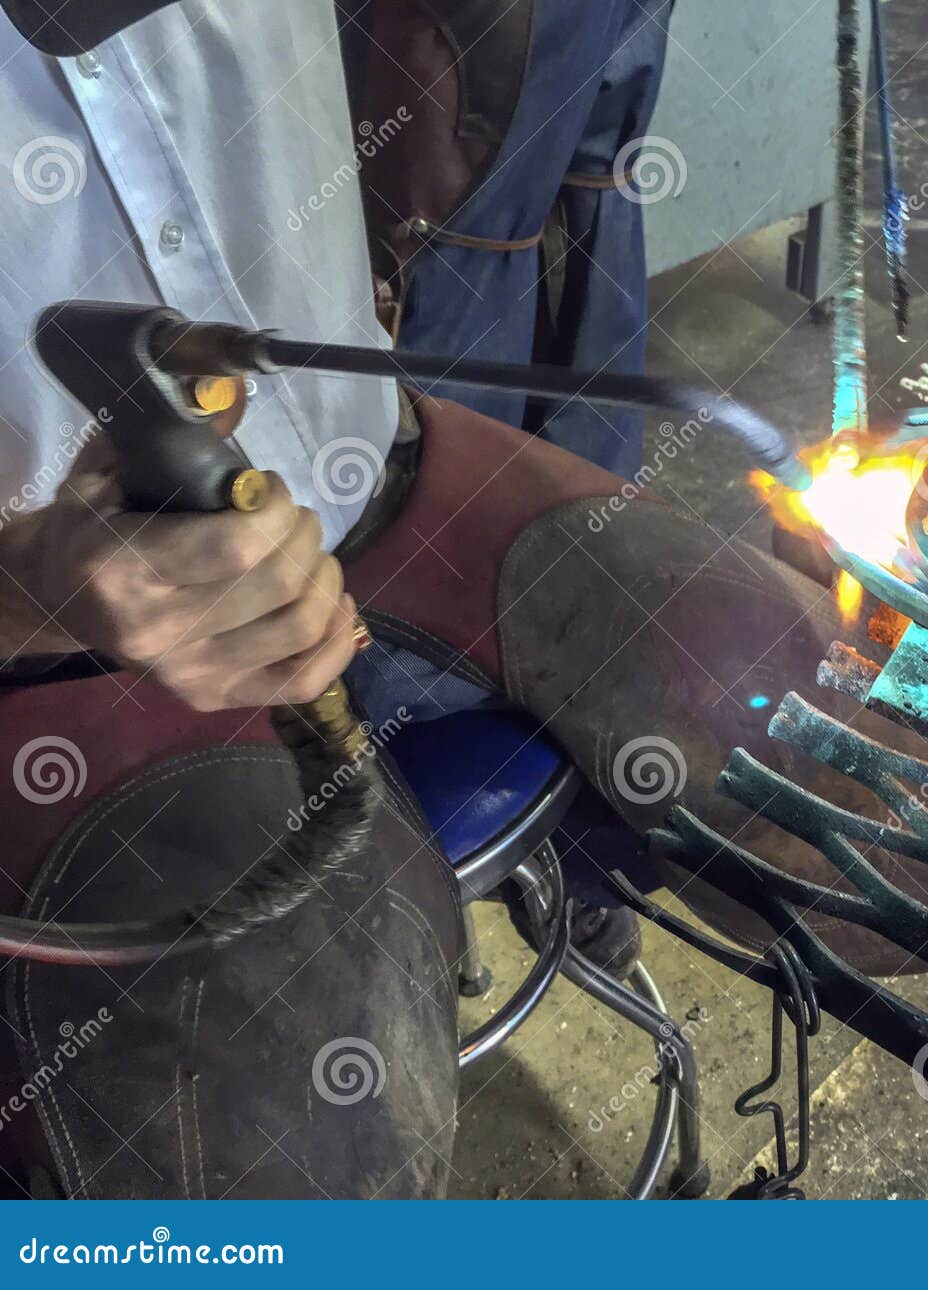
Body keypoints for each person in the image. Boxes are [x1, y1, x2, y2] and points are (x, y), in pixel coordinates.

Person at [0, 0, 673, 1199]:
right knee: (304, 1168)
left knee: (806, 704)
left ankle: (608, 873)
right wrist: (33, 584)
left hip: (394, 452)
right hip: (65, 654)